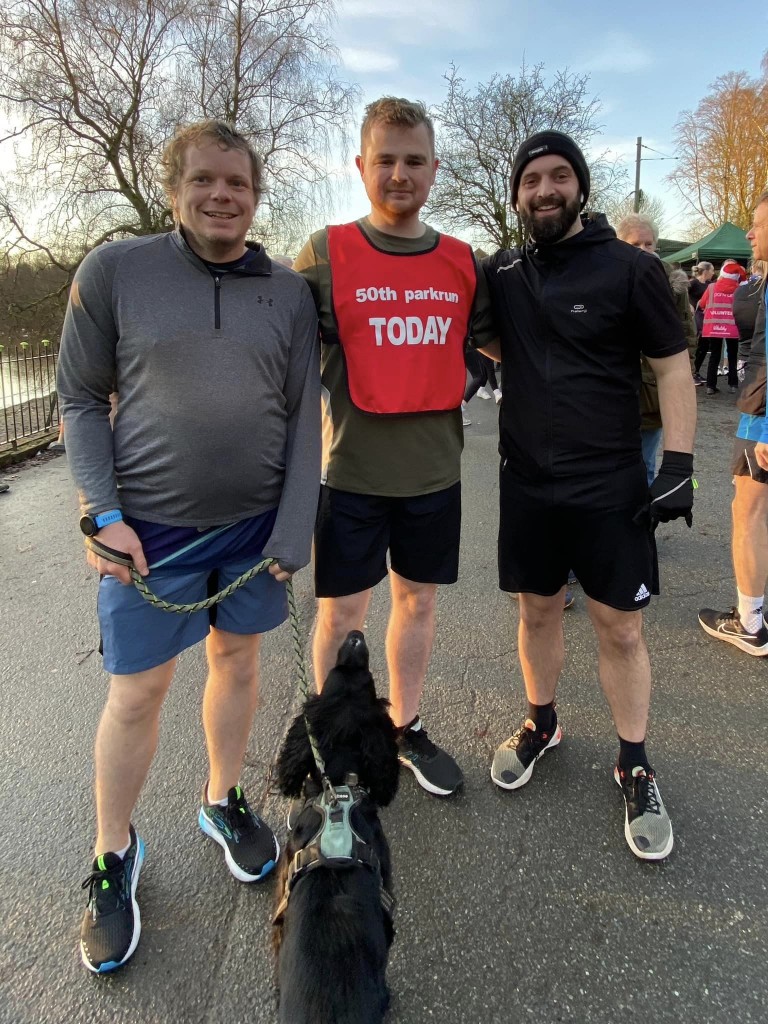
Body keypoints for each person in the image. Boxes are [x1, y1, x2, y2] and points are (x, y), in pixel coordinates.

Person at [56, 119, 321, 973]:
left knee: (238, 663)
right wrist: (99, 510)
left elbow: (302, 418)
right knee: (137, 695)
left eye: (237, 184)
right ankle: (112, 854)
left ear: (254, 196)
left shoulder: (285, 292)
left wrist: (292, 524)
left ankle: (221, 799)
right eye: (204, 180)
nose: (221, 196)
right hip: (151, 533)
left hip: (252, 531)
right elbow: (78, 398)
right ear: (174, 189)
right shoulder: (115, 272)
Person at [482, 130, 696, 861]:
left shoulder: (632, 269)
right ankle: (542, 722)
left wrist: (678, 460)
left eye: (559, 176)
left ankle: (634, 760)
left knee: (621, 628)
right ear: (516, 195)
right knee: (537, 608)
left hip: (609, 482)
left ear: (579, 187)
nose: (545, 188)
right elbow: (488, 340)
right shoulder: (502, 270)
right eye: (532, 179)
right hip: (526, 482)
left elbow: (672, 367)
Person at [294, 97, 497, 798]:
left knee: (417, 605)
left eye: (414, 161)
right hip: (349, 473)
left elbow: (501, 346)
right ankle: (333, 746)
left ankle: (405, 728)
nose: (400, 174)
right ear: (361, 166)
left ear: (434, 170)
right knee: (340, 616)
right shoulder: (325, 253)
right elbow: (276, 353)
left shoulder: (462, 261)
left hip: (434, 474)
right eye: (386, 160)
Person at [699, 192, 768, 654]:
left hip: (762, 413)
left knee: (749, 511)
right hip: (756, 401)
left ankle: (749, 622)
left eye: (758, 223)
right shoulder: (760, 283)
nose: (749, 232)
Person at [615, 213, 697, 485]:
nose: (644, 250)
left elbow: (687, 336)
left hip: (652, 392)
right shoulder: (608, 278)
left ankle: (644, 523)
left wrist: (682, 381)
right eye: (635, 244)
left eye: (648, 244)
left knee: (646, 463)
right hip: (614, 389)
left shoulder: (672, 283)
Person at [698, 260, 748, 395]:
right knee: (732, 355)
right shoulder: (740, 289)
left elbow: (702, 304)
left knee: (714, 355)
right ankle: (733, 384)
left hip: (714, 326)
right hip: (732, 327)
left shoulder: (711, 287)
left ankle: (710, 385)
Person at [690, 262, 715, 385]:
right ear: (706, 271)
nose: (713, 273)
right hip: (696, 317)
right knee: (697, 345)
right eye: (712, 270)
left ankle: (697, 371)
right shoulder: (694, 283)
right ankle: (692, 373)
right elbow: (683, 294)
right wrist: (689, 305)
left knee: (704, 346)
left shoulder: (710, 284)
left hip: (707, 318)